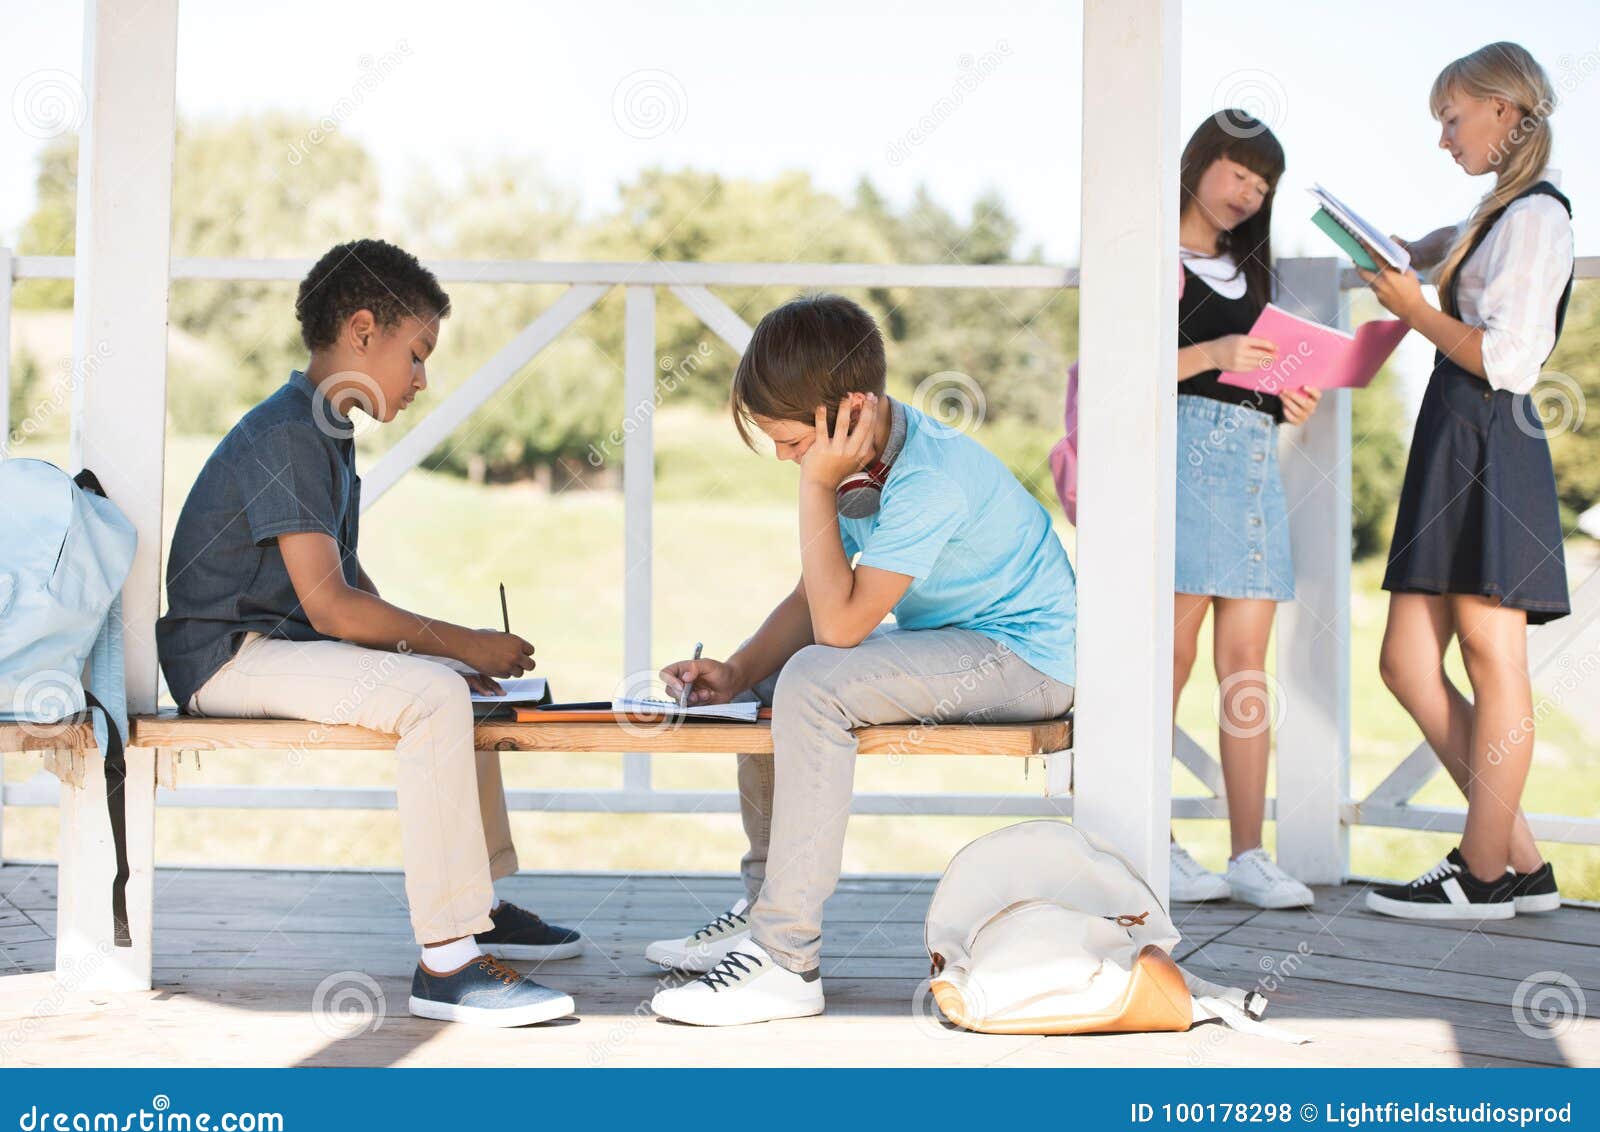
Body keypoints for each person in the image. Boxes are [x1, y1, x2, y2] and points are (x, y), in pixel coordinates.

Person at [157, 239, 582, 1025]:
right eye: (417, 355)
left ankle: (476, 908)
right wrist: (461, 640)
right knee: (433, 693)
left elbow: (349, 587)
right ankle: (448, 961)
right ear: (361, 330)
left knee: (451, 690)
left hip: (273, 648)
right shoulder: (288, 433)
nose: (423, 378)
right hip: (226, 657)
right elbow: (334, 611)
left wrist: (452, 658)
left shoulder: (323, 428)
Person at [645, 294, 1078, 1026]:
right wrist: (741, 670)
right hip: (965, 641)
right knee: (785, 677)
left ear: (849, 412)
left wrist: (814, 484)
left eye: (790, 444)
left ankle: (785, 962)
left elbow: (840, 630)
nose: (786, 460)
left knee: (814, 677)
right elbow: (820, 592)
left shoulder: (925, 479)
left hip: (1027, 655)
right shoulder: (866, 456)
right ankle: (760, 915)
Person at [1361, 43, 1572, 920]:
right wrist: (1403, 251)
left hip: (1491, 431)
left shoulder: (1538, 217)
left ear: (1503, 109)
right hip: (1451, 432)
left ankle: (1483, 874)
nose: (1445, 139)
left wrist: (1416, 312)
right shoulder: (1495, 214)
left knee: (1494, 656)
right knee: (1408, 663)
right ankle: (1518, 860)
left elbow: (1512, 361)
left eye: (1452, 119)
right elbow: (1446, 248)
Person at [1165, 112, 1323, 909]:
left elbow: (1252, 374)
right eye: (1239, 173)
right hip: (1185, 467)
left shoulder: (1252, 274)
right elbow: (1123, 366)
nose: (1248, 194)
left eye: (1263, 186)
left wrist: (1289, 397)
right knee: (1173, 658)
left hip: (1254, 469)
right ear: (1199, 163)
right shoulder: (1159, 260)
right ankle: (1148, 840)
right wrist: (1217, 356)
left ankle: (1247, 854)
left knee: (1244, 673)